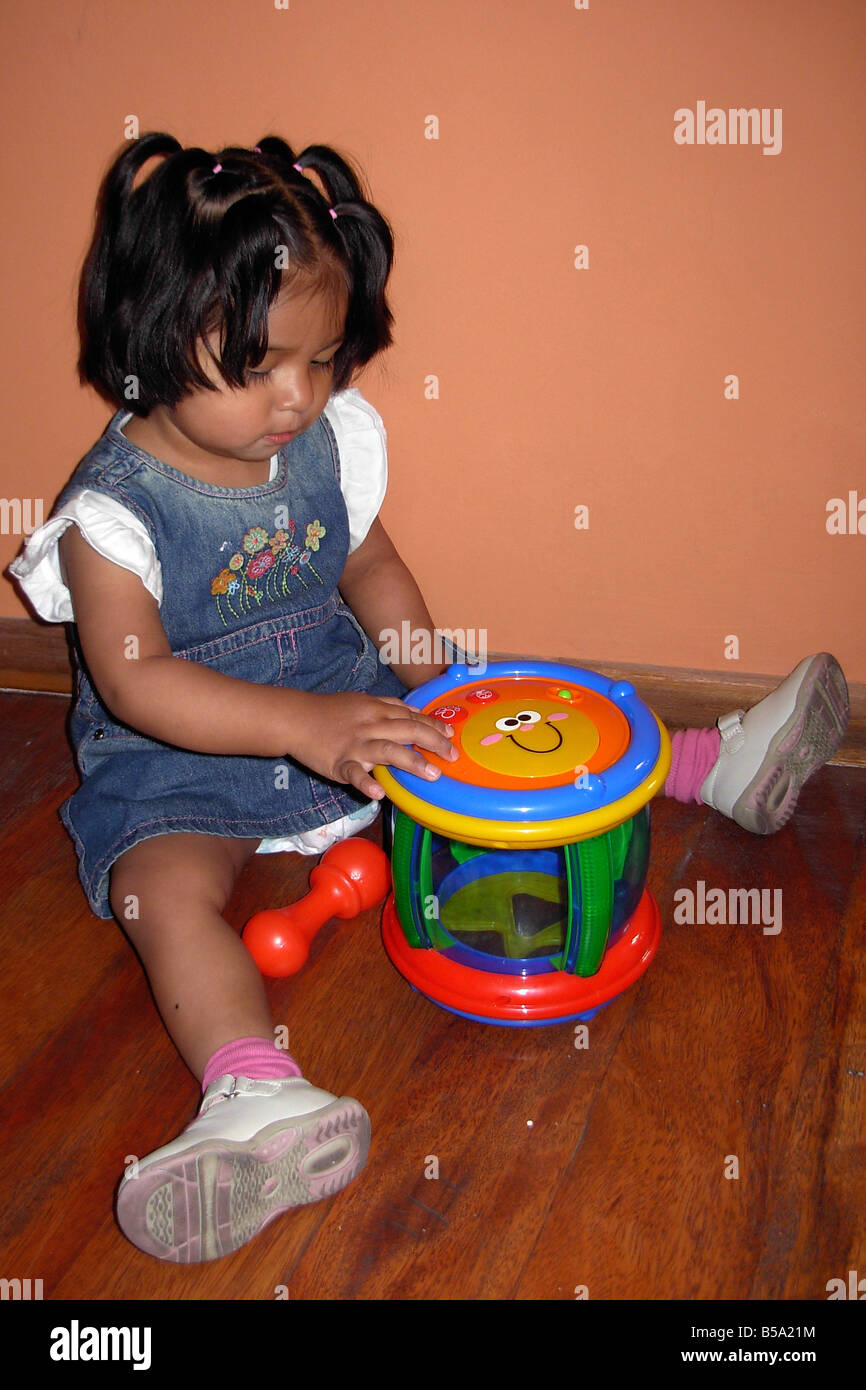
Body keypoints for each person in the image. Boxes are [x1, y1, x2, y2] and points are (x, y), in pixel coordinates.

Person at [9, 132, 849, 1265]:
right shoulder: (112, 514)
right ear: (149, 337)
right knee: (159, 892)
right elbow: (136, 678)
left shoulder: (321, 445)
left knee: (507, 739)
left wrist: (438, 681)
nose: (298, 397)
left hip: (343, 705)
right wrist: (302, 730)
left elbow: (369, 569)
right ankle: (254, 1094)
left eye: (321, 359)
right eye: (261, 366)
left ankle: (707, 763)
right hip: (184, 759)